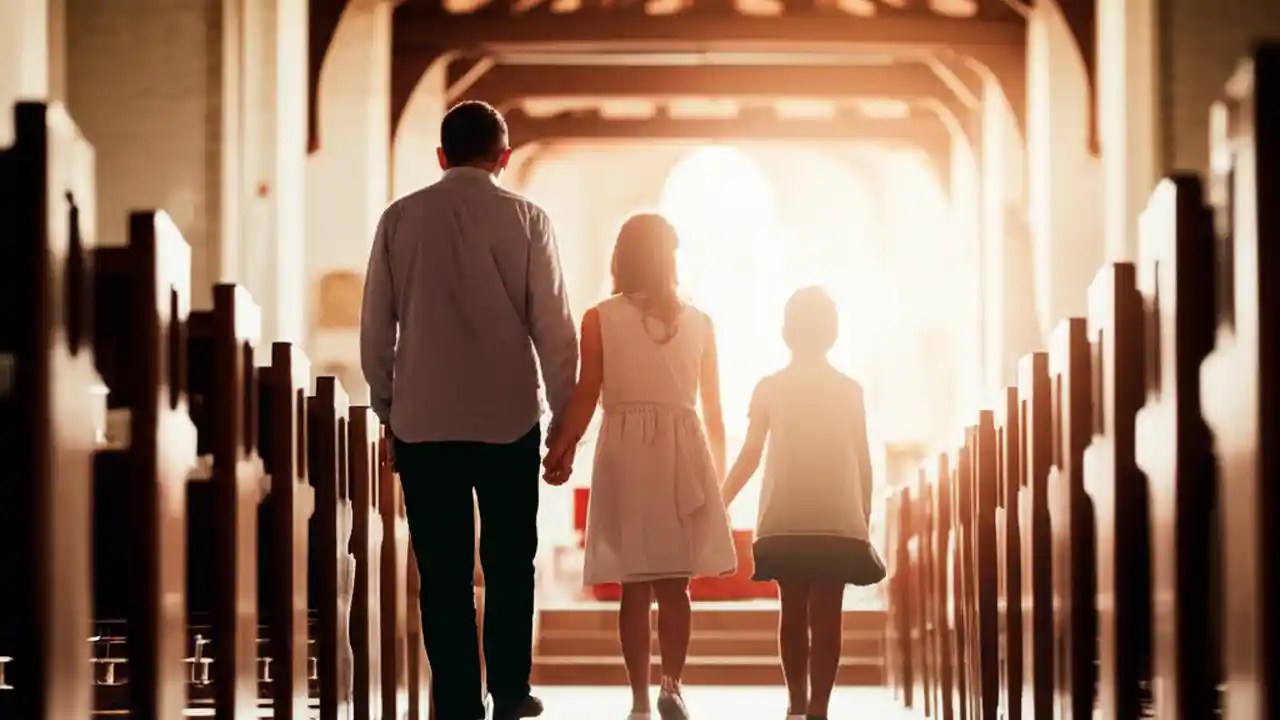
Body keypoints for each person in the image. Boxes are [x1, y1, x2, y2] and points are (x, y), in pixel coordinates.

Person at [360, 100, 577, 720]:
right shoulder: (528, 218)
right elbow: (555, 327)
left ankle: (457, 698)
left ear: (439, 156)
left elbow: (377, 325)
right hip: (508, 416)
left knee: (444, 572)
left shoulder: (400, 219)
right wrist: (563, 421)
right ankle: (509, 689)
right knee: (511, 563)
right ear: (503, 157)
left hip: (424, 420)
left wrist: (387, 410)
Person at [542, 213, 737, 720]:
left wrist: (561, 449)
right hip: (682, 451)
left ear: (620, 257)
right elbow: (714, 412)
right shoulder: (700, 322)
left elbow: (587, 394)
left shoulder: (600, 317)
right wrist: (715, 482)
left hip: (627, 451)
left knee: (634, 584)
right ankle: (672, 685)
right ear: (670, 258)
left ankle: (638, 700)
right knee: (676, 584)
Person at [720, 287, 883, 720]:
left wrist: (721, 499)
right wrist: (864, 514)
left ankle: (795, 705)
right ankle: (818, 709)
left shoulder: (770, 387)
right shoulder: (850, 390)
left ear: (785, 332)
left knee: (792, 611)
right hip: (836, 517)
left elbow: (751, 453)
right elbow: (863, 458)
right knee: (828, 614)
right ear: (833, 332)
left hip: (785, 516)